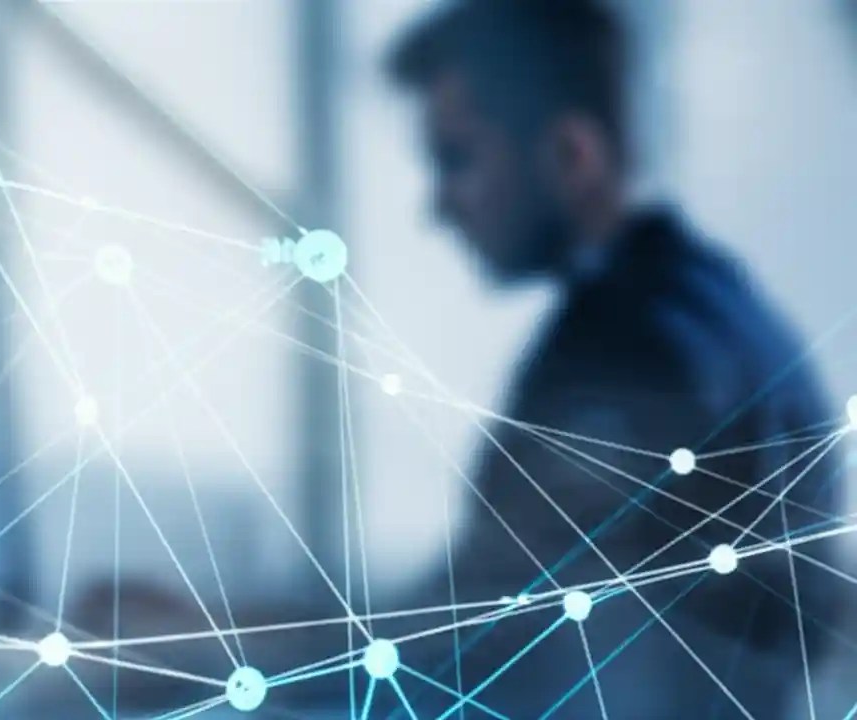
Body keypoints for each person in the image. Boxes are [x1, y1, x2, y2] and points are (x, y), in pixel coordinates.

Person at [67, 1, 847, 716]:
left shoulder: (629, 355)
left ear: (572, 153)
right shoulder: (711, 312)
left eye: (457, 158)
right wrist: (206, 625)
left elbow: (461, 638)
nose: (438, 204)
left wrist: (188, 651)